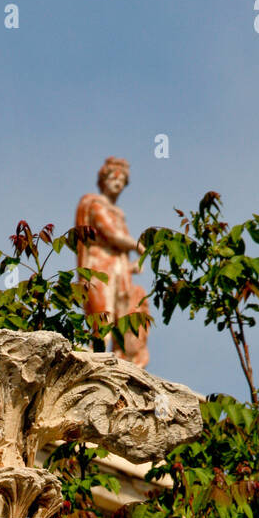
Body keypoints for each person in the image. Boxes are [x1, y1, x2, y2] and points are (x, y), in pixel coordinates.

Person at [75, 157, 151, 367]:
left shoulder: (118, 212)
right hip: (99, 265)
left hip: (118, 269)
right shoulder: (93, 203)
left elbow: (120, 244)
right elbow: (111, 233)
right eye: (113, 178)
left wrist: (133, 265)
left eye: (122, 181)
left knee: (121, 313)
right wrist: (138, 247)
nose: (118, 184)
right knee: (103, 312)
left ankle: (119, 358)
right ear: (103, 180)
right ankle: (97, 354)